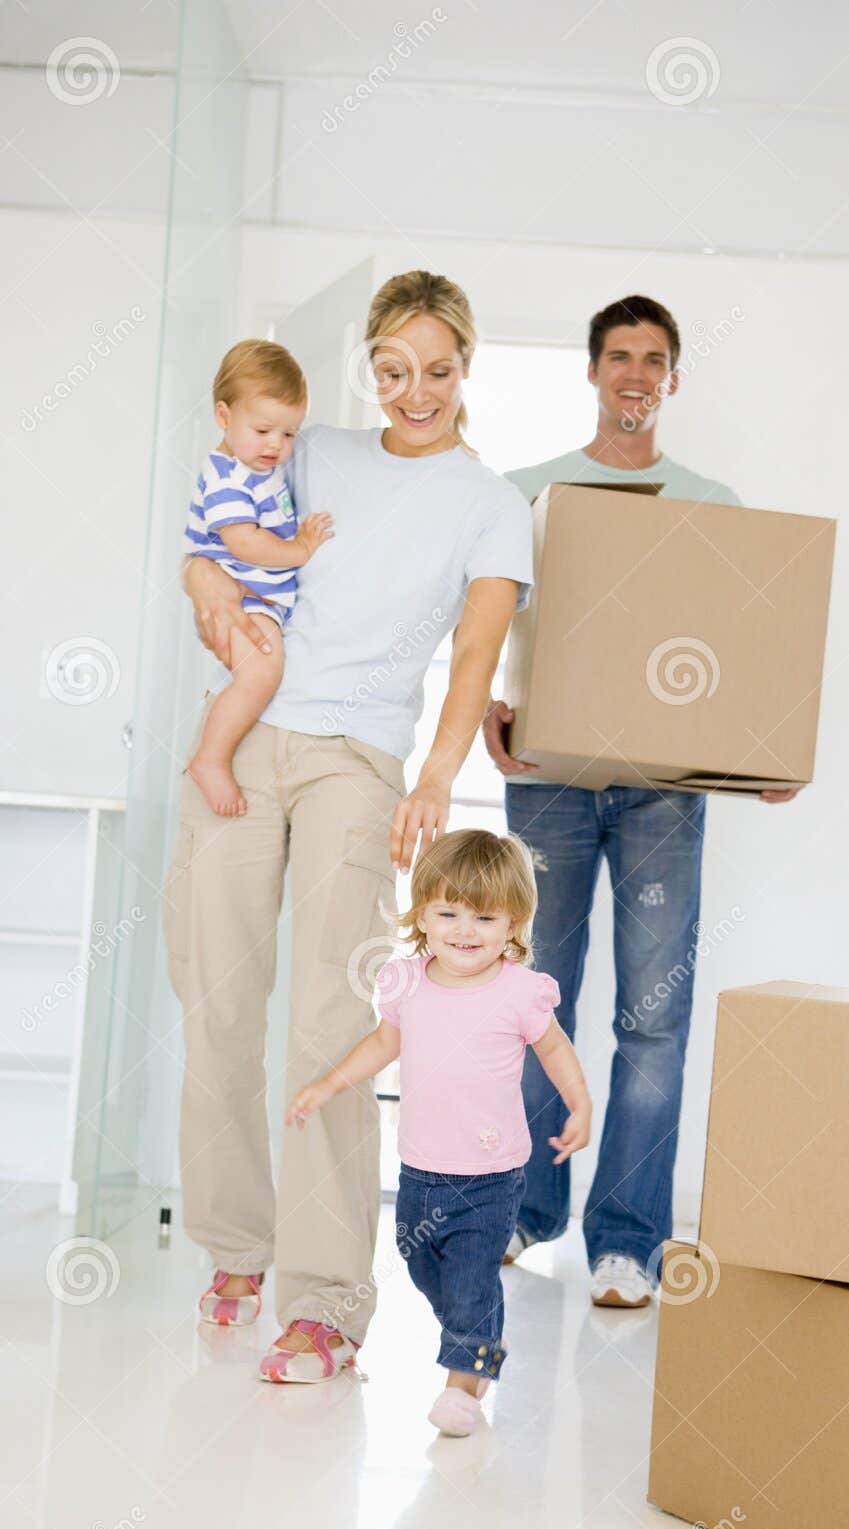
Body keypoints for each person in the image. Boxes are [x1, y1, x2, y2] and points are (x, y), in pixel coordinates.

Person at [165, 270, 535, 1383]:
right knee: (217, 1002)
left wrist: (435, 775)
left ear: (466, 366)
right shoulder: (315, 450)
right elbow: (214, 535)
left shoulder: (488, 502)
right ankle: (235, 1246)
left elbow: (474, 653)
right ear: (367, 366)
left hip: (359, 760)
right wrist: (201, 585)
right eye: (391, 370)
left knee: (330, 1024)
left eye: (436, 370)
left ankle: (325, 1300)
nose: (414, 392)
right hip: (247, 736)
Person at [484, 295, 799, 1310]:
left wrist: (766, 750)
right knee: (533, 1003)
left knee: (651, 1020)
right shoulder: (527, 494)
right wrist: (489, 707)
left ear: (672, 378)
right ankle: (525, 1209)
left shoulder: (710, 502)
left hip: (662, 792)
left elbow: (744, 644)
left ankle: (626, 1241)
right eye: (618, 356)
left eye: (652, 359)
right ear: (591, 371)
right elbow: (483, 626)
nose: (634, 373)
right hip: (548, 780)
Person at [286, 829, 591, 1433]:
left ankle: (464, 1384)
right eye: (448, 913)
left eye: (484, 917)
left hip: (491, 1177)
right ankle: (478, 1337)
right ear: (422, 913)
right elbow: (383, 1044)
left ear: (513, 923)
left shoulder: (520, 991)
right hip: (421, 1171)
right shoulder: (406, 982)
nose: (464, 930)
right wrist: (328, 1085)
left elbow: (555, 1050)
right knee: (423, 1265)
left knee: (472, 1281)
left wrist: (578, 1104)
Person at [181, 339, 334, 818]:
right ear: (223, 417)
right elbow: (244, 543)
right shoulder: (228, 478)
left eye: (289, 433)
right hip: (241, 597)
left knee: (259, 673)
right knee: (262, 672)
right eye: (264, 430)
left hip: (257, 598)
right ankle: (211, 758)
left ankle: (213, 756)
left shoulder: (254, 466)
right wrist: (300, 549)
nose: (276, 445)